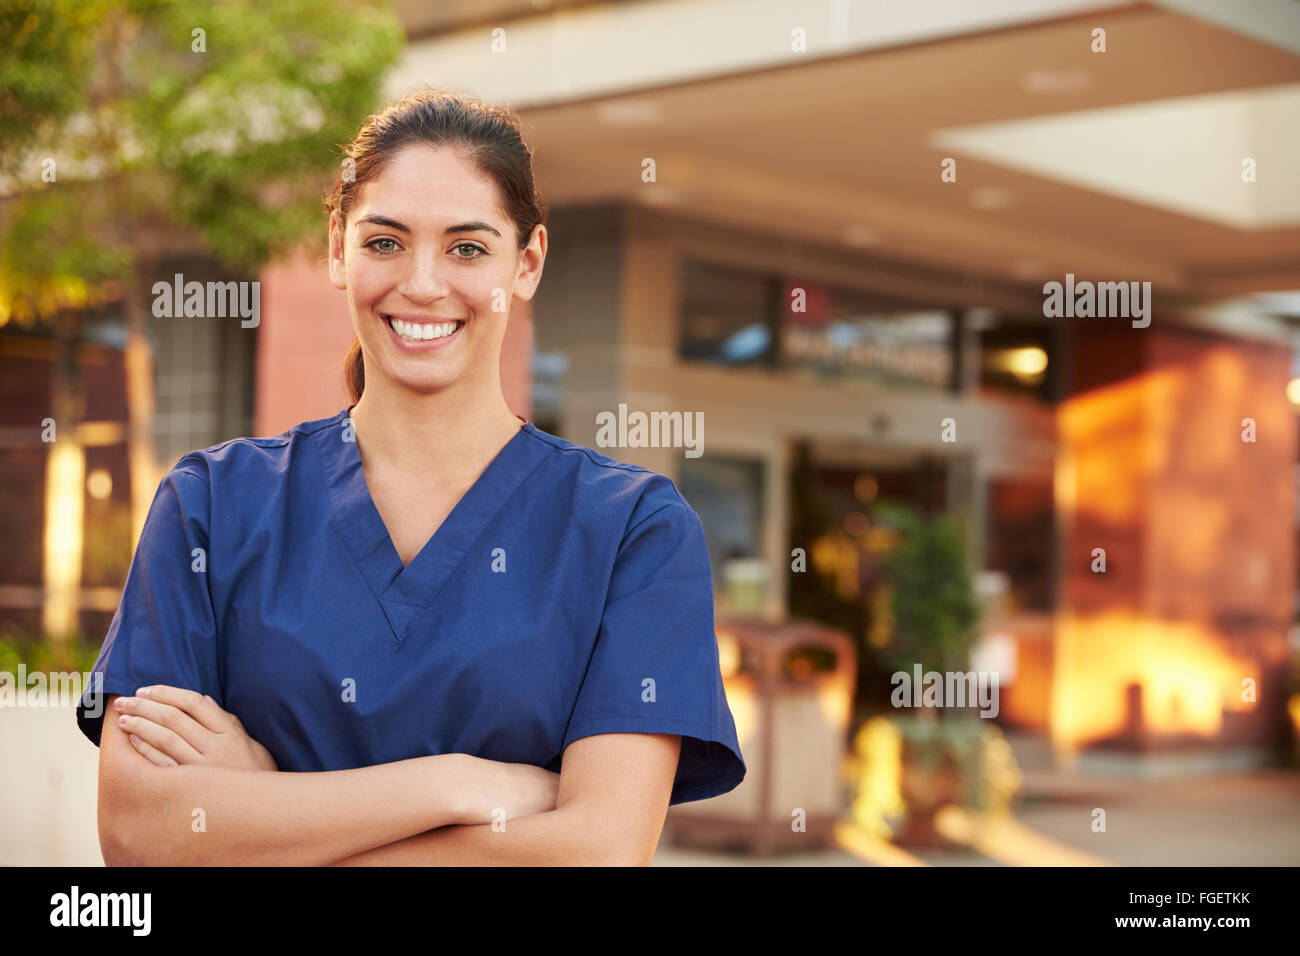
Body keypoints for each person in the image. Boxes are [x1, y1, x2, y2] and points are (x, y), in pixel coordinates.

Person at [76, 88, 745, 866]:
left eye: (468, 248)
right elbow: (138, 832)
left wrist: (263, 808)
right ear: (337, 250)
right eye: (385, 242)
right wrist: (455, 784)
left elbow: (595, 852)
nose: (423, 284)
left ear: (525, 265)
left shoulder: (634, 530)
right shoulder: (210, 507)